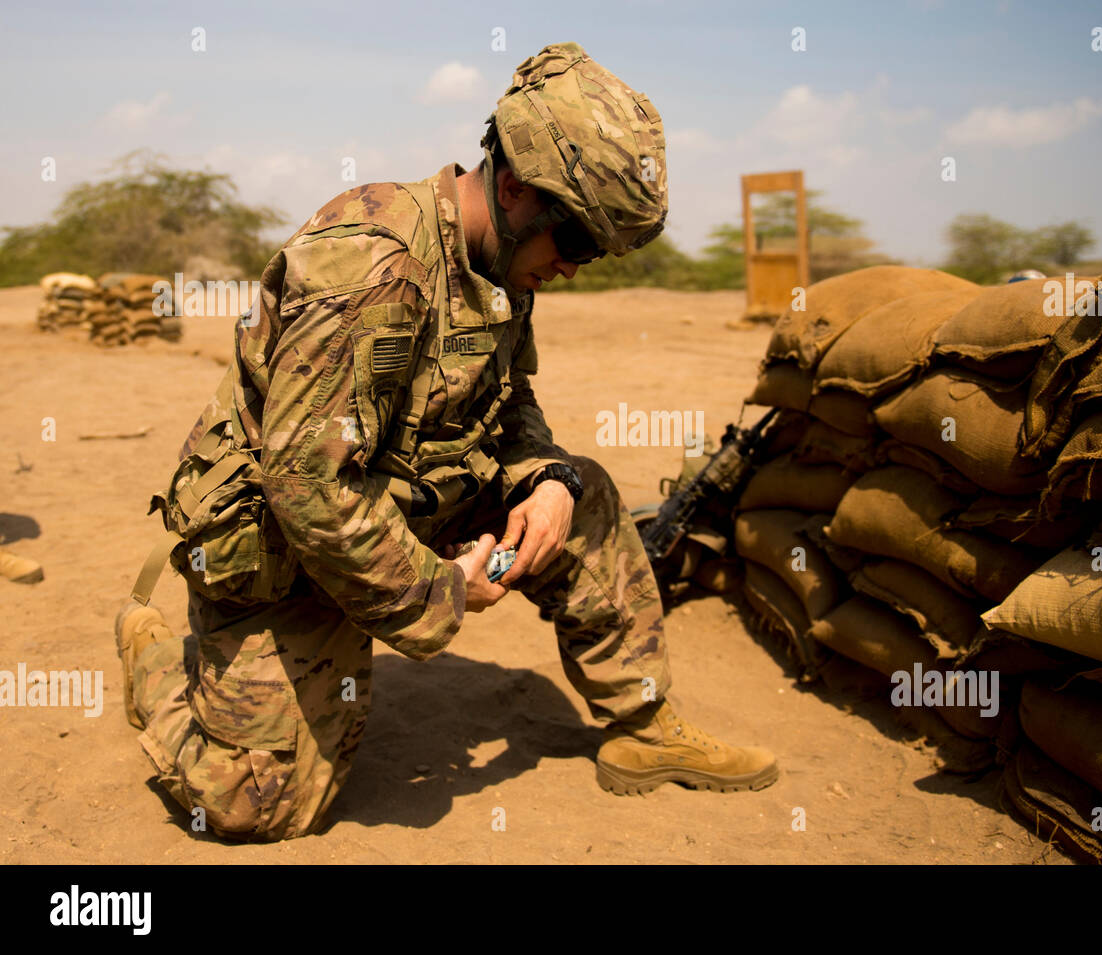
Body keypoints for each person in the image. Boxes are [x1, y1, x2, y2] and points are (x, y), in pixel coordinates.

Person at [116, 41, 778, 842]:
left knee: (586, 495)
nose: (575, 268)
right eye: (573, 243)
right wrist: (443, 590)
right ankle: (152, 650)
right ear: (512, 187)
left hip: (403, 504)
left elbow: (511, 398)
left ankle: (644, 723)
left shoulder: (500, 261)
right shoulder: (369, 267)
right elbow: (305, 488)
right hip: (288, 551)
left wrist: (545, 478)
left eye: (594, 253)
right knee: (257, 805)